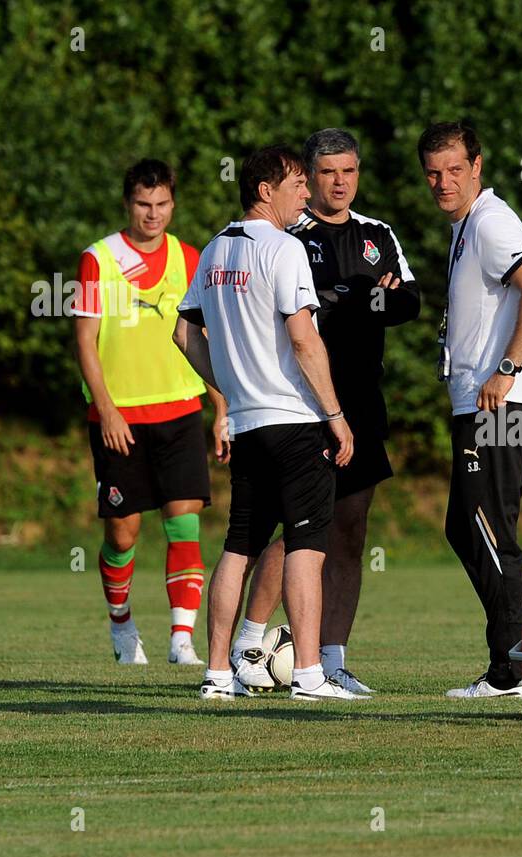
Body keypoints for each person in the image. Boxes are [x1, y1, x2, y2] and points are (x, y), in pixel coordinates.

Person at [231, 129, 420, 695]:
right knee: (296, 530)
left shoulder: (376, 233)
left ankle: (332, 658)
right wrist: (361, 297)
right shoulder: (290, 234)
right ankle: (251, 641)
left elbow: (407, 300)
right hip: (306, 401)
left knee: (350, 529)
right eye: (329, 172)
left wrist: (356, 297)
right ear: (308, 177)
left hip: (363, 400)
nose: (341, 182)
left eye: (350, 171)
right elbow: (314, 311)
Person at [173, 144, 360, 701]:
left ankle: (216, 674)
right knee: (307, 544)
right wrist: (335, 415)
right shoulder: (283, 248)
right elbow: (304, 338)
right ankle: (308, 675)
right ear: (265, 190)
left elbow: (183, 333)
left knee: (240, 545)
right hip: (295, 420)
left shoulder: (212, 250)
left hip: (248, 425)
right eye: (298, 183)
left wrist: (229, 388)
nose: (307, 192)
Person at [418, 120, 522, 698]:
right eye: (433, 172)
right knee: (466, 527)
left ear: (477, 167)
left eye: (455, 170)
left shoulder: (493, 221)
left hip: (500, 403)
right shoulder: (467, 225)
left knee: (487, 531)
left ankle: (512, 668)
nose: (443, 182)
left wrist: (506, 370)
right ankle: (515, 656)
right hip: (480, 402)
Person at [73, 158, 228, 667]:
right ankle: (121, 627)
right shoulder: (97, 259)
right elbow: (85, 342)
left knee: (183, 523)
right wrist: (107, 408)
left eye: (162, 204)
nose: (153, 213)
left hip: (180, 410)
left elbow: (203, 338)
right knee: (123, 531)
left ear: (173, 204)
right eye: (143, 203)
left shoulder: (190, 258)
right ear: (127, 203)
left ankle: (182, 639)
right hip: (118, 419)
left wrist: (221, 405)